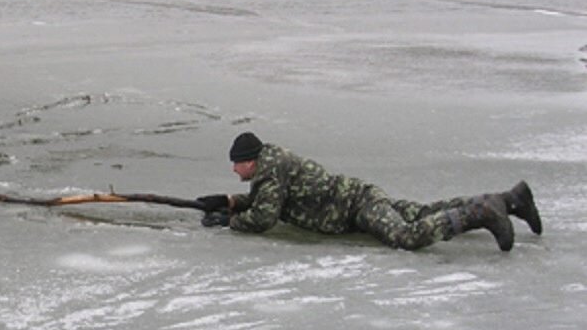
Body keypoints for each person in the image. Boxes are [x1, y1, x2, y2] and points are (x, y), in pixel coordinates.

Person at [195, 132, 541, 251]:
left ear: (250, 162)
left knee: (405, 236)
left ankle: (481, 212)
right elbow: (270, 200)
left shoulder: (269, 170)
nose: (233, 170)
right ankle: (512, 200)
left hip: (356, 206)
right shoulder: (270, 165)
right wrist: (230, 200)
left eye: (236, 165)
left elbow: (265, 216)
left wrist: (231, 221)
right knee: (420, 212)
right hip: (358, 199)